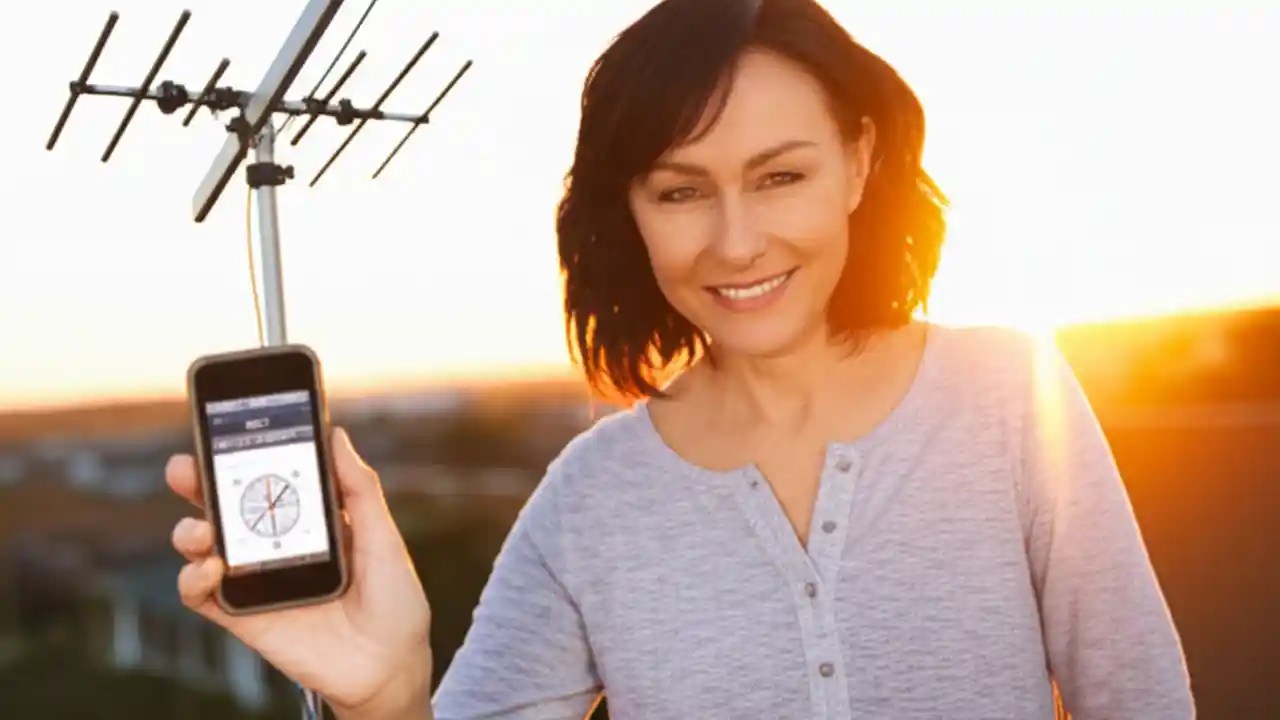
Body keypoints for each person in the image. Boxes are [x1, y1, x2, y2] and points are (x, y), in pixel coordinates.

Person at [165, 0, 1195, 717]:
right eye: (679, 191)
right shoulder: (590, 499)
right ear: (630, 214)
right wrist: (385, 700)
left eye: (779, 175)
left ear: (858, 162)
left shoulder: (1010, 399)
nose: (736, 242)